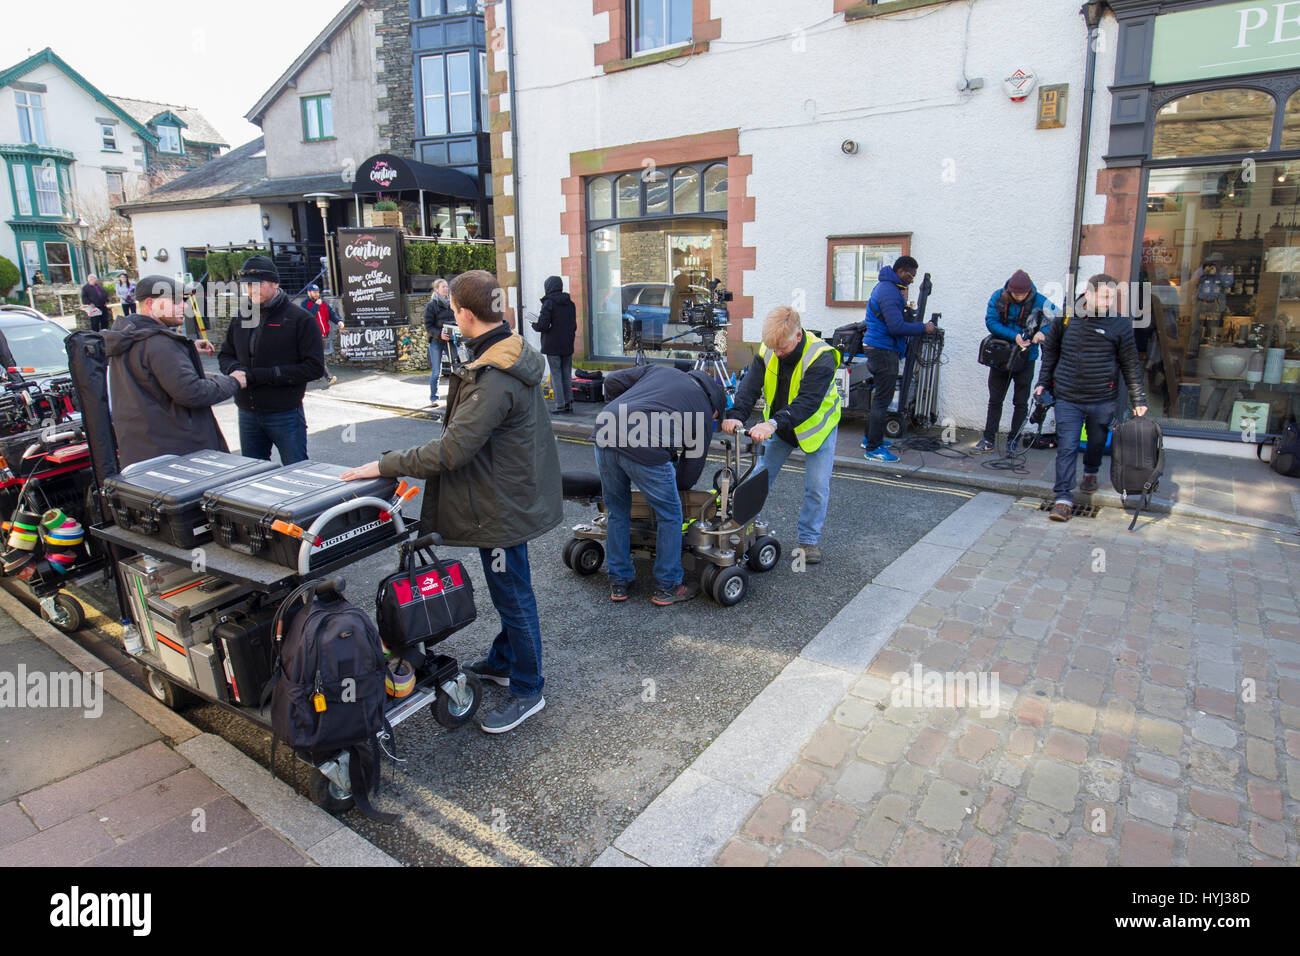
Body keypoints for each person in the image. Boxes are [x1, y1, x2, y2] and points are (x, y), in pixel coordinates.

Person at [341, 270, 562, 735]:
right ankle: (505, 661)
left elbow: (452, 450)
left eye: (454, 312)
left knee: (514, 596)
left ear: (463, 313)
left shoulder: (494, 375)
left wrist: (386, 465)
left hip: (500, 507)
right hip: (506, 497)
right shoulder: (508, 351)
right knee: (509, 591)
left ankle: (528, 689)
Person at [595, 364, 727, 604]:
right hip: (646, 444)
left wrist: (626, 412)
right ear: (715, 407)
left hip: (606, 428)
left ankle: (619, 581)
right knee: (670, 515)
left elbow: (612, 380)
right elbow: (690, 470)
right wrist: (673, 488)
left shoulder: (660, 371)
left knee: (617, 510)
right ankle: (668, 586)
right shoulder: (703, 411)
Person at [723, 305, 840, 565]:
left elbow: (807, 402)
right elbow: (749, 387)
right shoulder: (768, 349)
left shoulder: (822, 356)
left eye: (782, 349)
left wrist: (773, 424)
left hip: (817, 428)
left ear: (798, 336)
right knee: (758, 478)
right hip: (779, 426)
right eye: (773, 347)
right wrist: (737, 415)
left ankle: (808, 541)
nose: (777, 353)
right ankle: (739, 530)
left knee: (817, 488)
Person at [1035, 274, 1148, 522]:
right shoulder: (1066, 319)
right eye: (1104, 296)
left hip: (1102, 397)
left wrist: (1138, 399)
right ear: (1088, 294)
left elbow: (1130, 363)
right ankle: (1063, 499)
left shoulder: (1119, 324)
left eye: (1111, 297)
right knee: (1067, 446)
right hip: (1068, 397)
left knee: (1096, 442)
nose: (1108, 302)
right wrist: (1043, 383)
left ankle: (1090, 471)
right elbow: (1051, 352)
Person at [102, 275, 245, 468]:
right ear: (151, 303)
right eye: (176, 301)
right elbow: (193, 393)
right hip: (179, 458)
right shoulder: (159, 344)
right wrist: (233, 381)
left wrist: (187, 348)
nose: (184, 306)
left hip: (143, 453)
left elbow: (146, 366)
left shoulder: (128, 336)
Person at [218, 255, 323, 464]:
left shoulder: (300, 319)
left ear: (275, 283)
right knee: (251, 474)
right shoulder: (242, 316)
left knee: (297, 470)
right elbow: (225, 355)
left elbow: (314, 368)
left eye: (257, 284)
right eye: (246, 285)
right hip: (247, 411)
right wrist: (236, 369)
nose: (251, 290)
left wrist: (259, 376)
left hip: (284, 412)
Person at [861, 256, 936, 462]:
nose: (912, 280)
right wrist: (924, 328)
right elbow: (896, 327)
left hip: (880, 349)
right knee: (882, 401)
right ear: (902, 271)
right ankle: (874, 448)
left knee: (879, 398)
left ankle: (869, 439)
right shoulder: (889, 291)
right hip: (883, 351)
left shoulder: (888, 288)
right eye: (912, 275)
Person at [973, 269, 1054, 454]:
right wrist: (1014, 336)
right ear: (1009, 290)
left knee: (1021, 402)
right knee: (995, 400)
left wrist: (1044, 333)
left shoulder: (1040, 301)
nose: (1019, 298)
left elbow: (1057, 320)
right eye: (1016, 294)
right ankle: (988, 439)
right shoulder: (998, 296)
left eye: (1023, 294)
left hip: (1027, 358)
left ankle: (1013, 442)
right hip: (1001, 356)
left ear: (1029, 291)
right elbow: (991, 322)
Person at [531, 276, 576, 414]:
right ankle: (569, 402)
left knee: (556, 374)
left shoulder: (549, 303)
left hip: (552, 344)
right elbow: (573, 325)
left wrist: (534, 324)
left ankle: (559, 404)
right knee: (566, 373)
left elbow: (543, 325)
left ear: (548, 287)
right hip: (567, 343)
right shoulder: (570, 303)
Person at [297, 283, 340, 389]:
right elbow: (309, 317)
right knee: (320, 356)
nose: (316, 294)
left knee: (313, 356)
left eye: (317, 292)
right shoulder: (304, 304)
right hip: (311, 335)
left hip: (323, 334)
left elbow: (331, 313)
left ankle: (314, 374)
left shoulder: (323, 303)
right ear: (308, 293)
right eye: (314, 292)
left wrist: (339, 321)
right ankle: (328, 377)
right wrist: (316, 305)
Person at [423, 278, 454, 406]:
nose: (446, 289)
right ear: (436, 289)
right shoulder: (431, 305)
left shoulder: (452, 303)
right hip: (436, 341)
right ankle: (434, 398)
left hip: (451, 340)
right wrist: (439, 334)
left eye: (447, 287)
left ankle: (456, 397)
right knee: (436, 371)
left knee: (456, 368)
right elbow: (428, 326)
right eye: (443, 287)